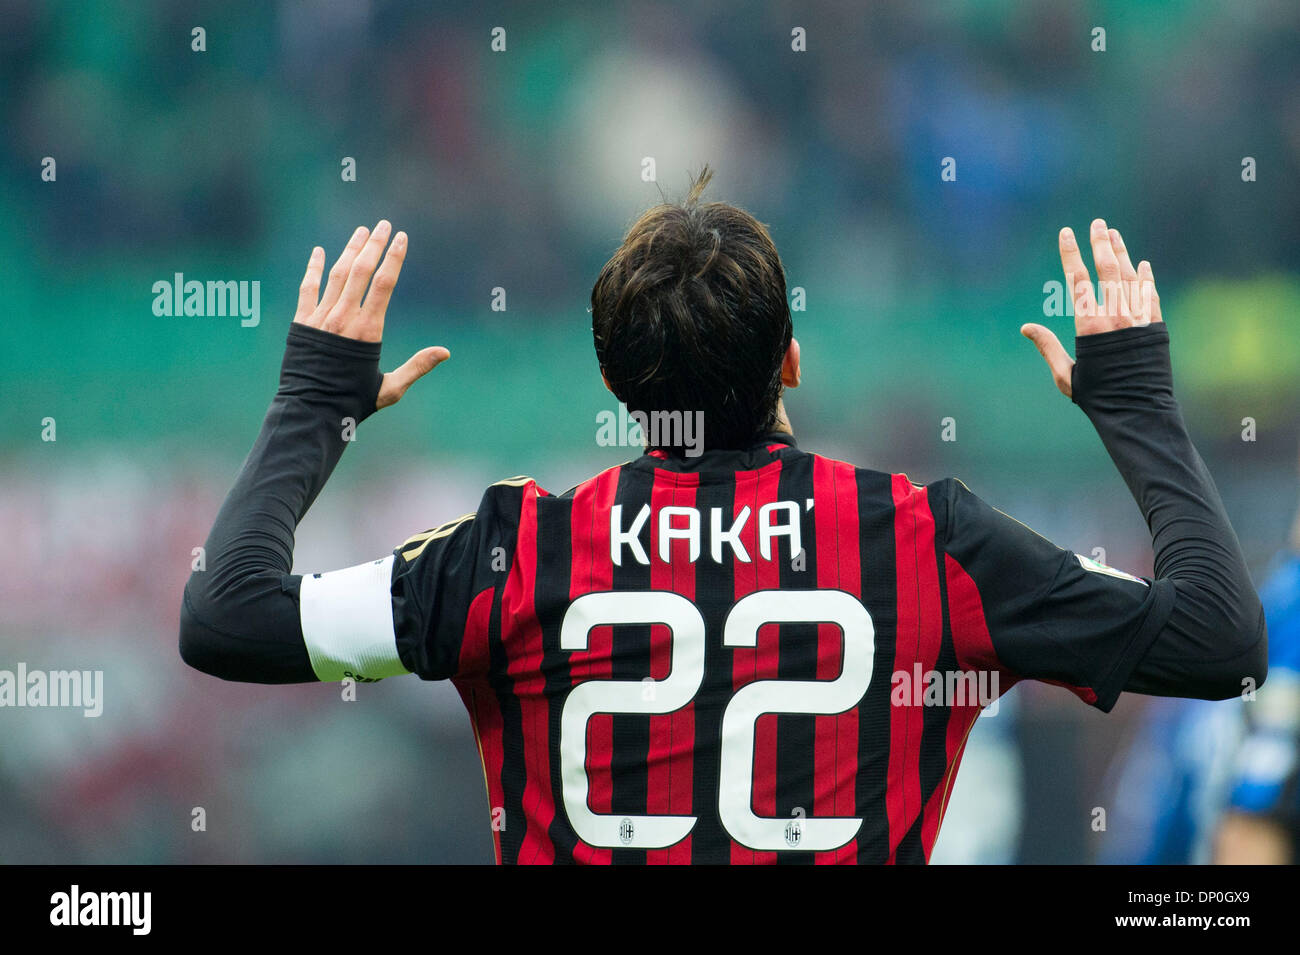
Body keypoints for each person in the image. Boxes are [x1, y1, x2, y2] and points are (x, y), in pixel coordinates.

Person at [179, 168, 1266, 864]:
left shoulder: (516, 555)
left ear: (618, 388)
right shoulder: (929, 542)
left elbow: (227, 619)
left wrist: (315, 407)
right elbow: (1220, 641)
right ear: (790, 358)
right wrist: (1135, 411)